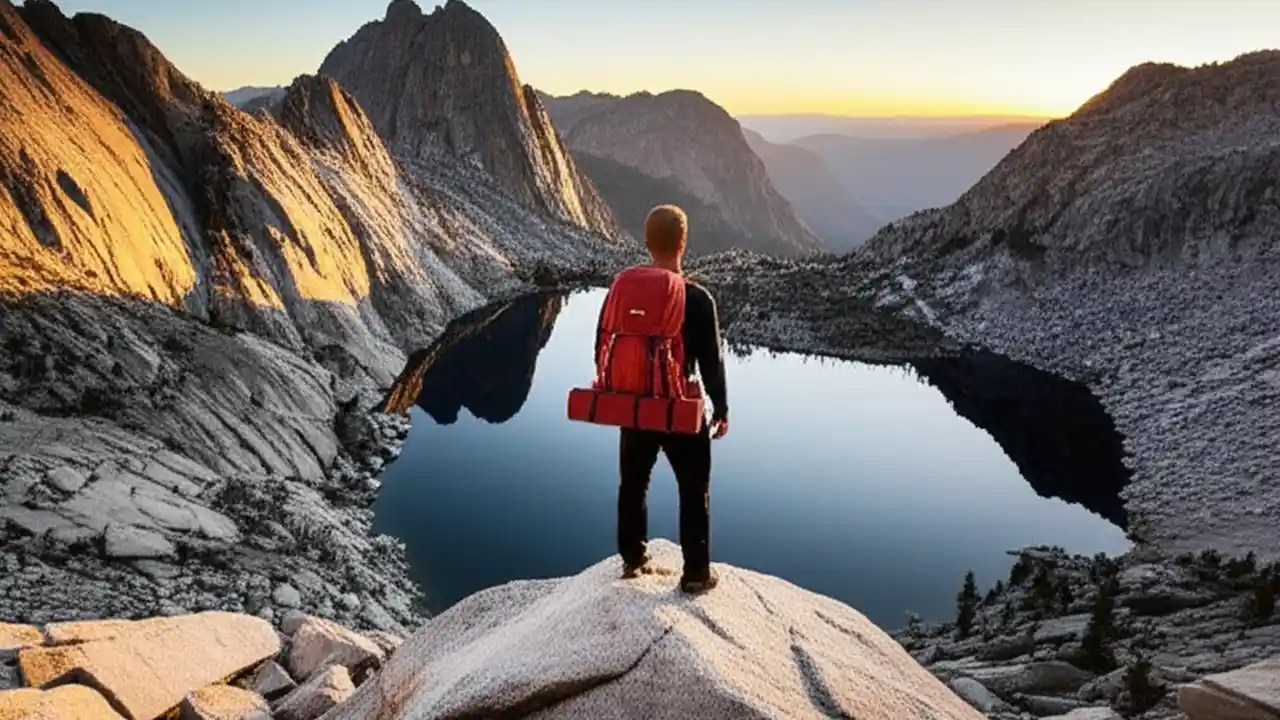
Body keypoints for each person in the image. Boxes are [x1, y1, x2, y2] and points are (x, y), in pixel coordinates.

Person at [594, 204, 730, 594]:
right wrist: (721, 409)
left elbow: (601, 347)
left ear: (647, 242)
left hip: (636, 406)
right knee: (693, 489)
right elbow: (711, 363)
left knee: (633, 484)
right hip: (679, 410)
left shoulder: (622, 290)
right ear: (683, 242)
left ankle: (633, 559)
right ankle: (696, 574)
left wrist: (628, 387)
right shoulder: (698, 299)